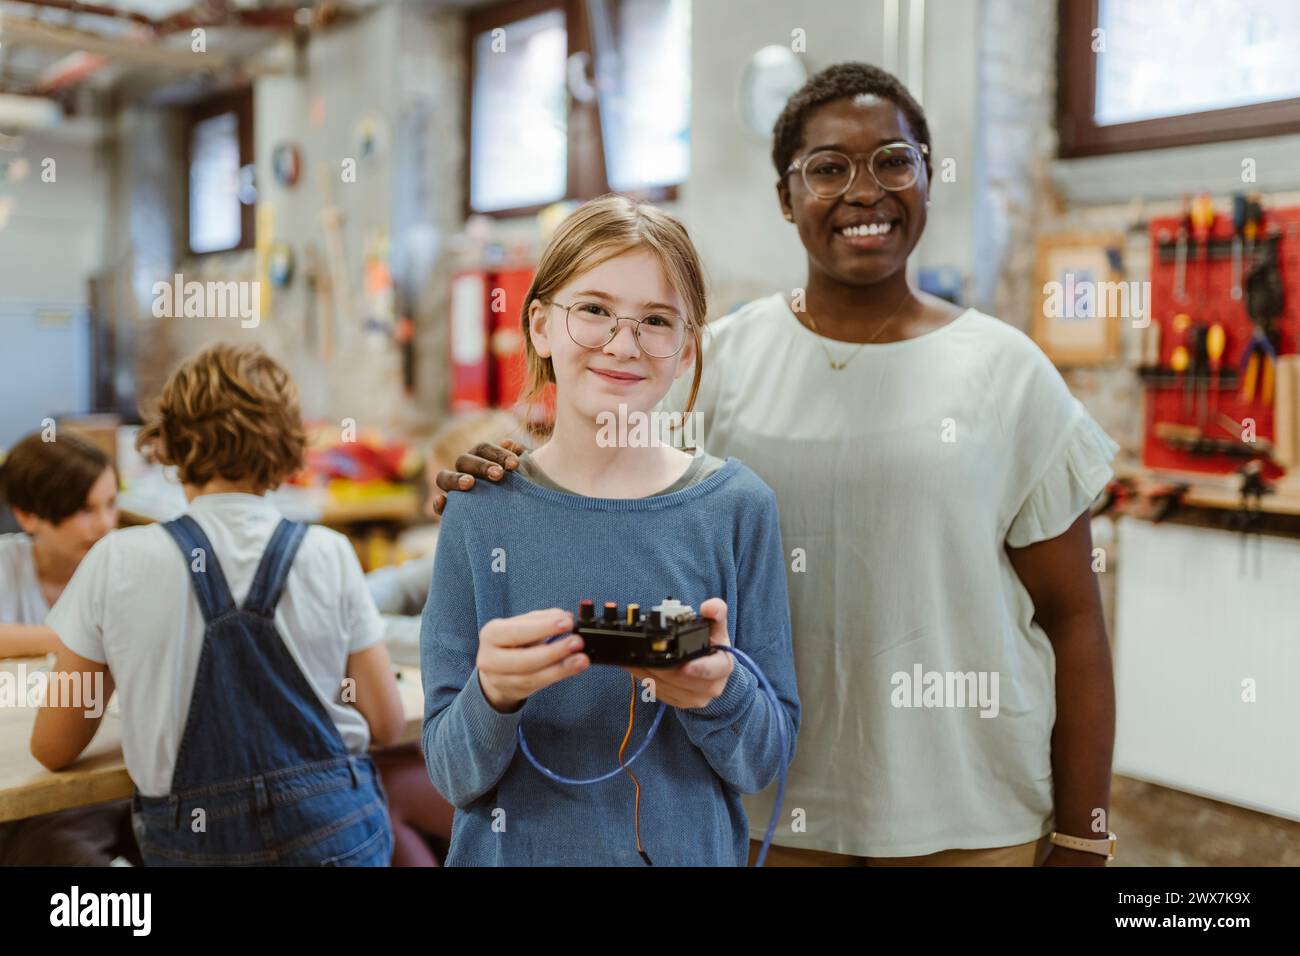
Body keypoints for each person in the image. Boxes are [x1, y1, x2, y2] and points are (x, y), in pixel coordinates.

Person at [431, 63, 1120, 867]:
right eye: (828, 167)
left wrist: (1084, 834)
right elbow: (611, 455)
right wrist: (507, 467)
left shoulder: (1009, 372)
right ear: (786, 196)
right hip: (777, 818)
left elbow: (1075, 619)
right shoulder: (723, 359)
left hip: (966, 812)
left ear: (930, 177)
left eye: (894, 161)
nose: (864, 191)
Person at [420, 194, 800, 865]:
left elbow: (761, 761)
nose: (622, 344)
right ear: (539, 325)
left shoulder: (739, 507)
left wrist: (719, 692)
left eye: (656, 320)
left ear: (686, 351)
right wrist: (493, 695)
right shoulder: (479, 510)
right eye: (593, 309)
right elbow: (453, 775)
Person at [32, 343, 403, 866]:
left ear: (170, 442)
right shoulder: (329, 553)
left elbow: (53, 746)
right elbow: (386, 724)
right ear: (286, 445)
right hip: (336, 836)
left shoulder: (117, 560)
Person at [0, 431, 138, 866]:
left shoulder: (125, 568)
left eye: (111, 504)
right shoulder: (8, 563)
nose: (105, 523)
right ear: (28, 514)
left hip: (108, 764)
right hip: (34, 770)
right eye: (84, 510)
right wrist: (80, 639)